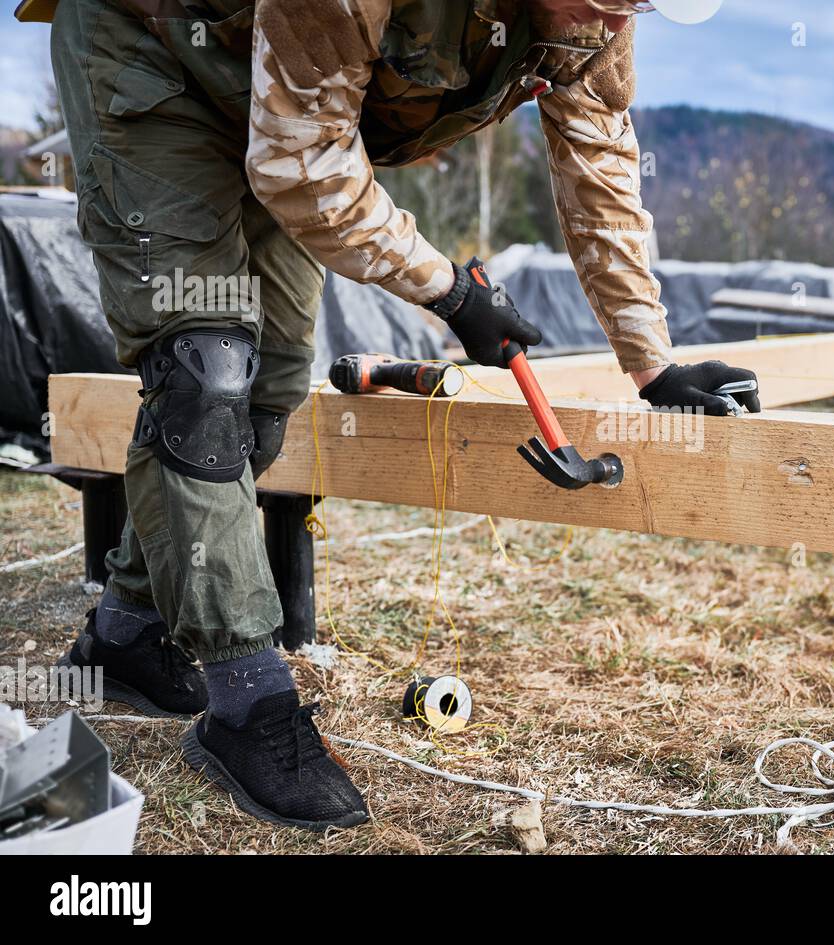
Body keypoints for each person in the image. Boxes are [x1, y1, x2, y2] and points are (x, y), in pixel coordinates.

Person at [41, 0, 752, 830]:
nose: (613, 10)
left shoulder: (597, 22)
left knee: (266, 392)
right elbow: (302, 163)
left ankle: (126, 632)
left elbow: (600, 169)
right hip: (155, 53)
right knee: (206, 375)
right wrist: (450, 292)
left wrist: (652, 359)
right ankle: (247, 703)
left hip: (277, 101)